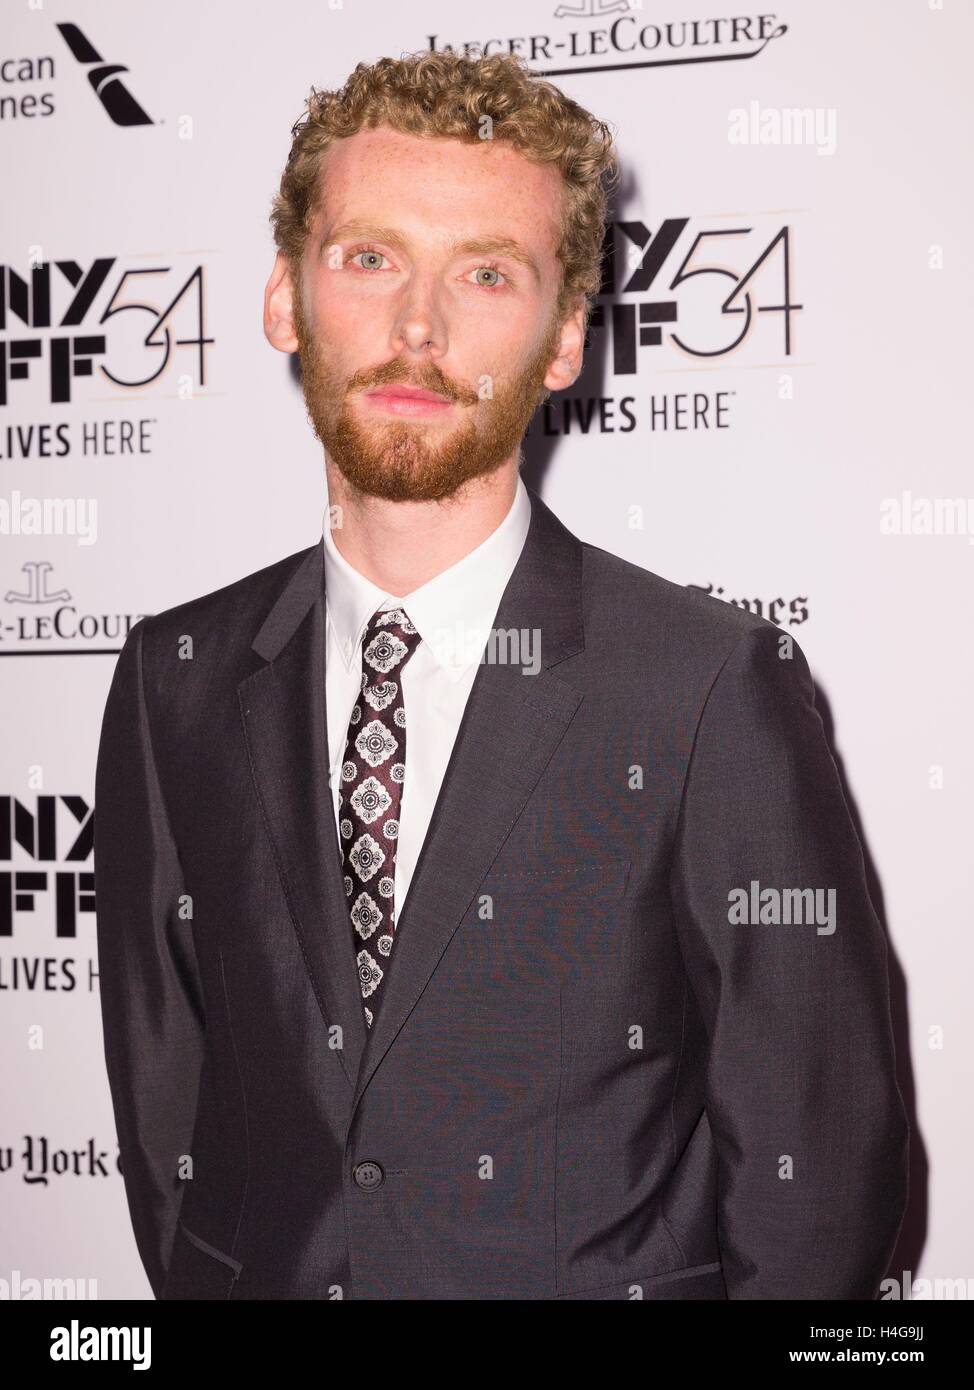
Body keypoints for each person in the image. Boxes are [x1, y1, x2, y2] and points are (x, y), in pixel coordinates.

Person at [94, 51, 909, 1301]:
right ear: (282, 297)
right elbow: (170, 1123)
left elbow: (820, 1175)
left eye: (485, 274)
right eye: (369, 259)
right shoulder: (177, 677)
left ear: (564, 338)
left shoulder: (703, 687)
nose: (417, 327)